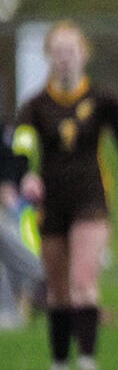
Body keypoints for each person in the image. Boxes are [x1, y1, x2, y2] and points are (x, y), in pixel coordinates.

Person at [16, 21, 118, 370]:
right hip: (51, 203)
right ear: (49, 57)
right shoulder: (35, 105)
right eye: (58, 52)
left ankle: (86, 359)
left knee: (83, 280)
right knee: (57, 288)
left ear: (84, 54)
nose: (64, 59)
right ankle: (59, 364)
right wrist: (25, 175)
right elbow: (20, 148)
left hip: (91, 199)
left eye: (71, 51)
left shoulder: (102, 99)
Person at [0, 122, 43, 329]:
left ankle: (41, 281)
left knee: (14, 249)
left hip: (11, 200)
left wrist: (7, 182)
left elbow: (10, 154)